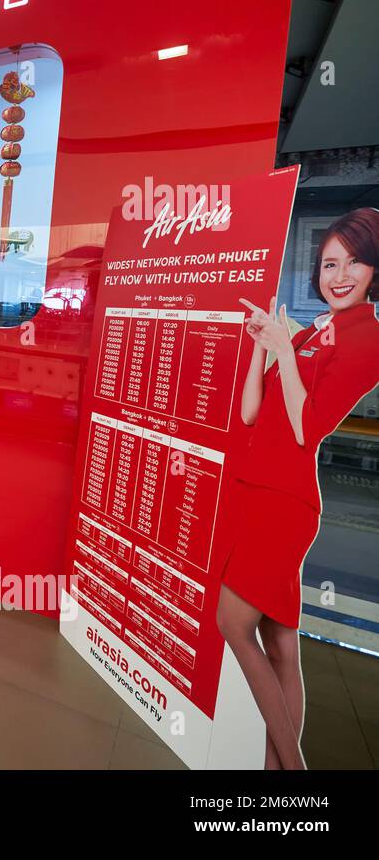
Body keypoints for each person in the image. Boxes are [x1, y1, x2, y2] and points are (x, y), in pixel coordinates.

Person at [217, 207, 379, 770]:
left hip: (283, 503)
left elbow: (308, 426)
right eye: (329, 263)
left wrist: (286, 351)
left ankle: (293, 773)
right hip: (254, 491)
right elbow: (248, 414)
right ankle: (276, 772)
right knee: (283, 645)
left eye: (354, 263)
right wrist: (264, 343)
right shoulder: (313, 331)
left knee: (230, 624)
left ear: (375, 271)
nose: (339, 275)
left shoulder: (365, 342)